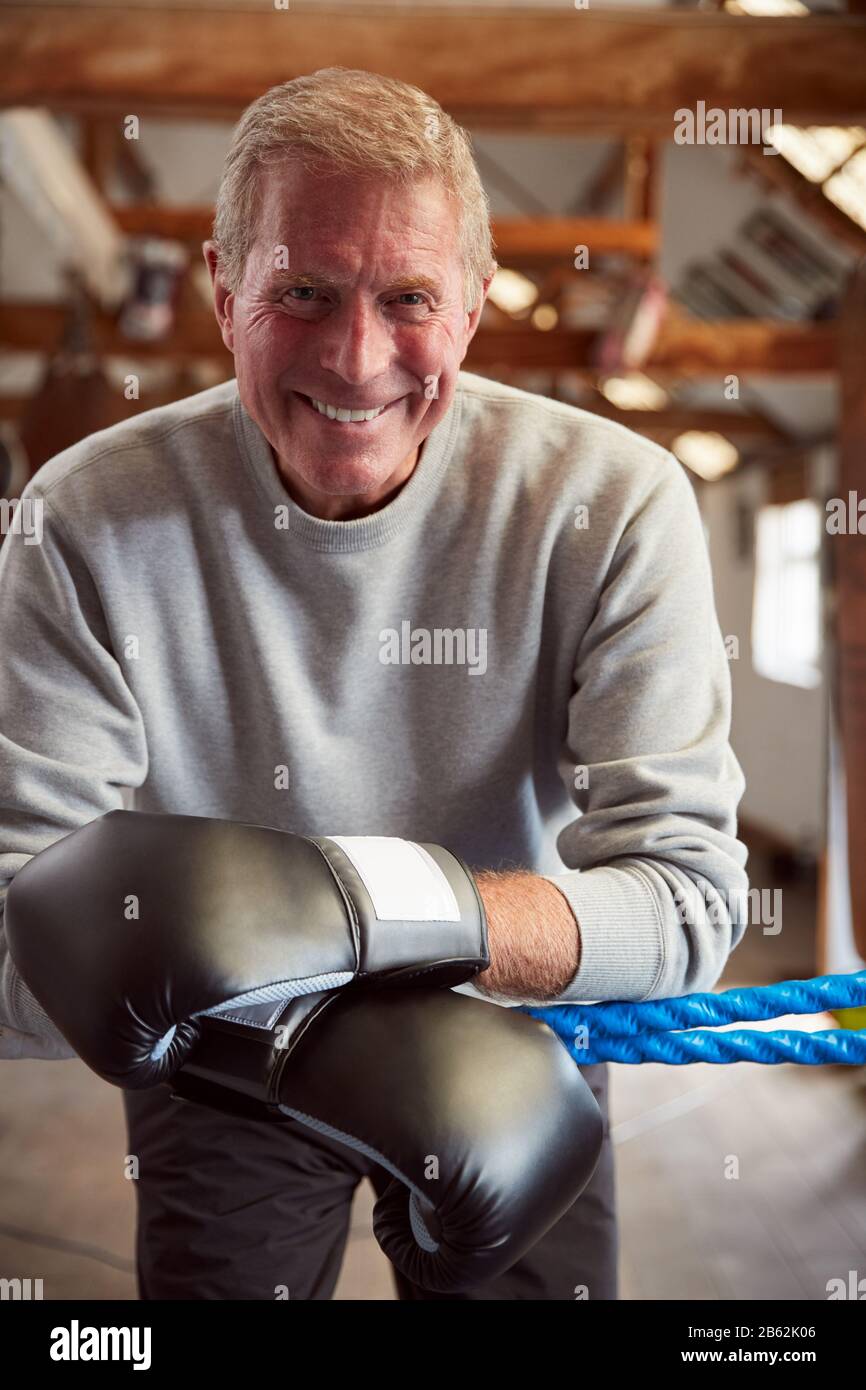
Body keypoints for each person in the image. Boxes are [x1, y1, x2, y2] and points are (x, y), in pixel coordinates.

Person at [0, 67, 748, 1301]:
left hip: (520, 1032)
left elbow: (687, 906)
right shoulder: (85, 518)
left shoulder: (611, 505)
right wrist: (164, 968)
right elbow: (20, 928)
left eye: (408, 296)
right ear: (222, 290)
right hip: (226, 1060)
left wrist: (348, 907)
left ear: (471, 311)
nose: (356, 361)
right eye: (301, 290)